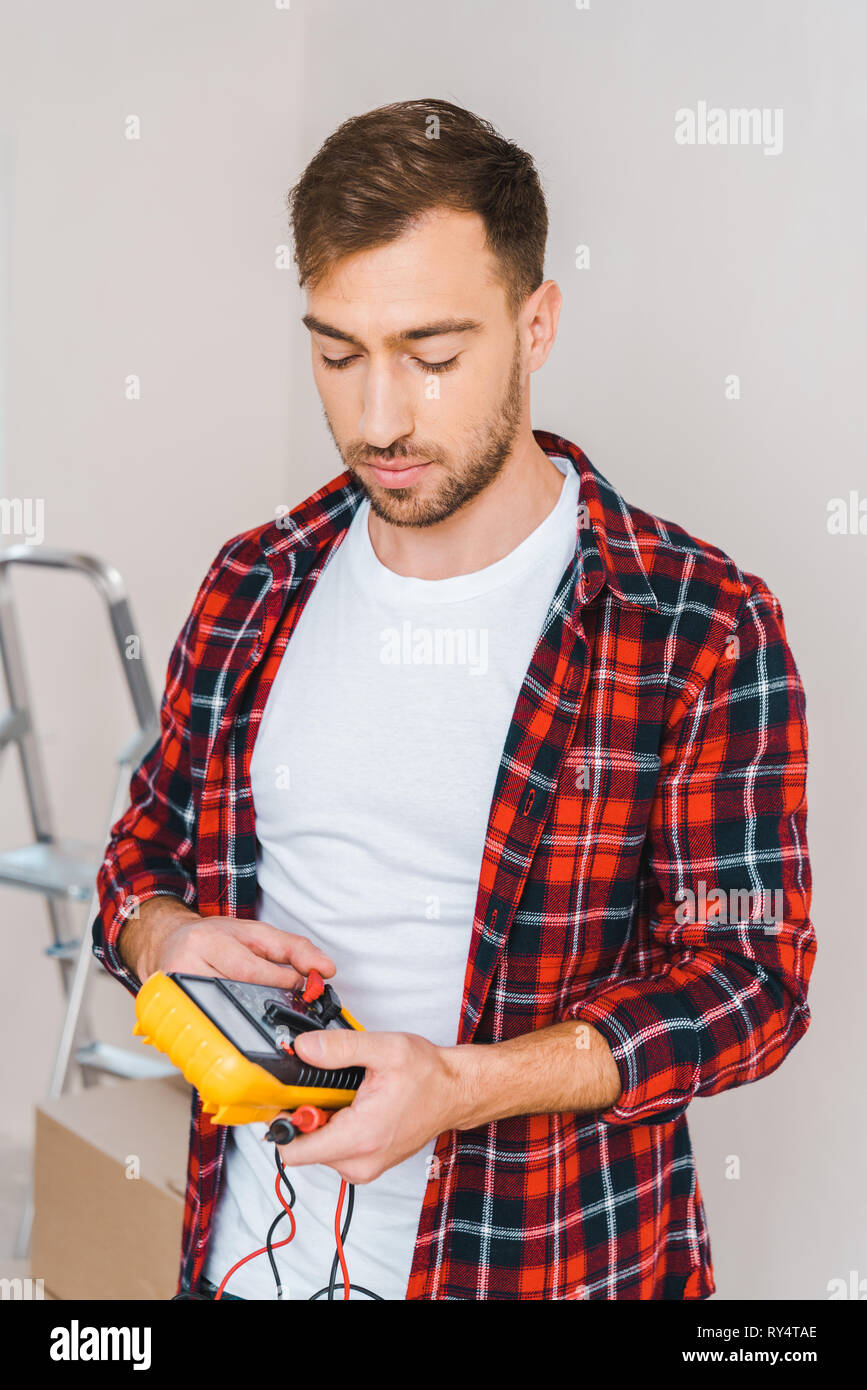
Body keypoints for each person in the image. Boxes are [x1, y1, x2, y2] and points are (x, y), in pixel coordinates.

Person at [93, 98, 815, 1301]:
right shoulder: (252, 583)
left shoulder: (697, 625)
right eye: (337, 353)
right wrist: (170, 937)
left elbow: (752, 984)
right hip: (239, 1263)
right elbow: (141, 856)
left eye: (432, 357)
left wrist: (465, 1085)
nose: (378, 419)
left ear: (537, 326)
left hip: (538, 1267)